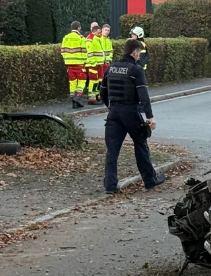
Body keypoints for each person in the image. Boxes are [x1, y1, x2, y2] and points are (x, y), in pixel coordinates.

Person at [99, 38, 166, 193]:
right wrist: (150, 117)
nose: (140, 56)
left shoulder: (111, 67)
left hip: (114, 113)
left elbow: (103, 93)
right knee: (141, 145)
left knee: (112, 150)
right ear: (134, 52)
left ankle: (110, 186)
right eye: (139, 53)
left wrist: (112, 108)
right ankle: (150, 180)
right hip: (131, 112)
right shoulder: (136, 70)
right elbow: (143, 95)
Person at [60, 20, 89, 108]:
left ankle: (74, 100)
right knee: (82, 81)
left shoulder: (66, 37)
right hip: (79, 64)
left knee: (72, 82)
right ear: (78, 28)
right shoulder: (81, 38)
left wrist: (67, 59)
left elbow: (62, 51)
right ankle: (77, 96)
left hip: (69, 64)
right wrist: (85, 62)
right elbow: (84, 52)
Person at [84, 21, 104, 104]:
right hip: (92, 64)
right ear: (94, 31)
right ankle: (91, 99)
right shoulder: (90, 39)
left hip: (97, 64)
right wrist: (94, 63)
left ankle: (96, 96)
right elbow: (90, 53)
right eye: (98, 32)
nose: (100, 34)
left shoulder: (96, 38)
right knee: (93, 81)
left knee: (97, 81)